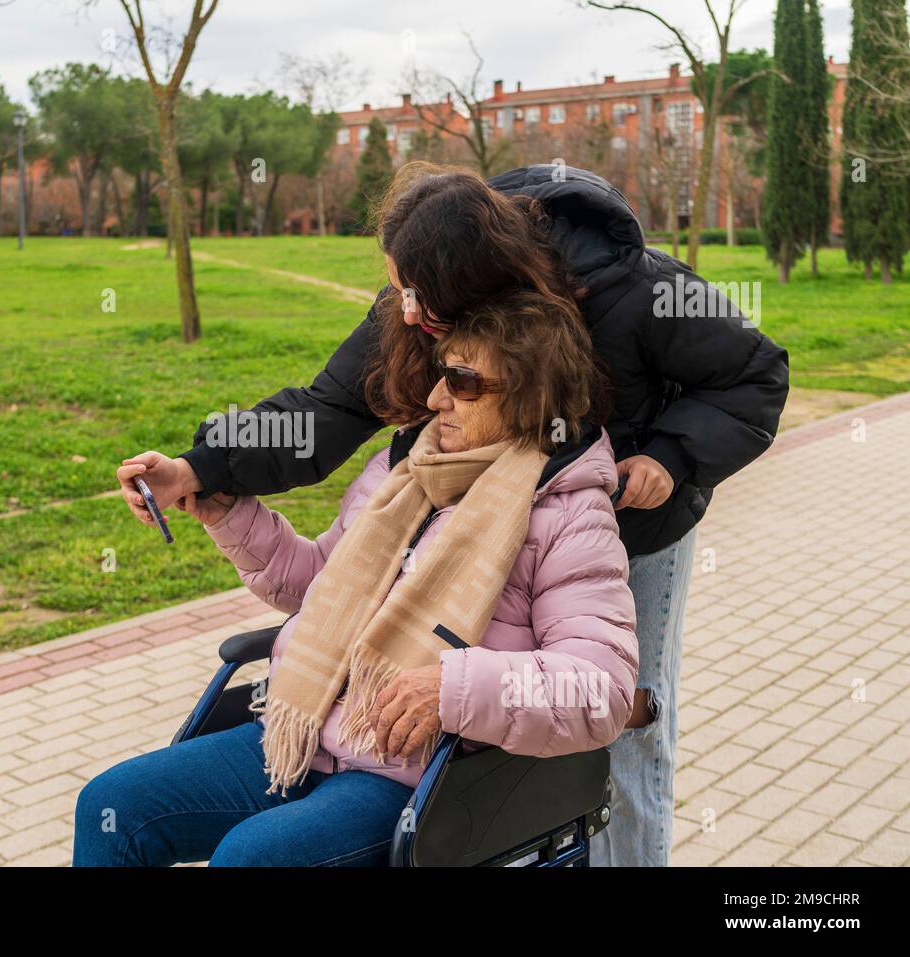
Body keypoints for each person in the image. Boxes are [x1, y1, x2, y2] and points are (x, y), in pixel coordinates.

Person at [116, 162, 790, 866]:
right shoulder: (425, 300)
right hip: (467, 498)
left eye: (419, 297)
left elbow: (757, 376)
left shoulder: (638, 288)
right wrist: (202, 467)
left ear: (478, 284)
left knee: (622, 727)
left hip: (623, 517)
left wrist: (672, 457)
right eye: (399, 289)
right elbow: (328, 408)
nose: (406, 312)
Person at [73, 287, 637, 866]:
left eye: (465, 383)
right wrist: (226, 512)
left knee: (253, 858)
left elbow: (602, 688)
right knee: (110, 806)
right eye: (442, 373)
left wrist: (453, 687)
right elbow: (316, 583)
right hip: (305, 727)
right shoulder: (403, 468)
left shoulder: (569, 514)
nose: (439, 397)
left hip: (417, 777)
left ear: (531, 397)